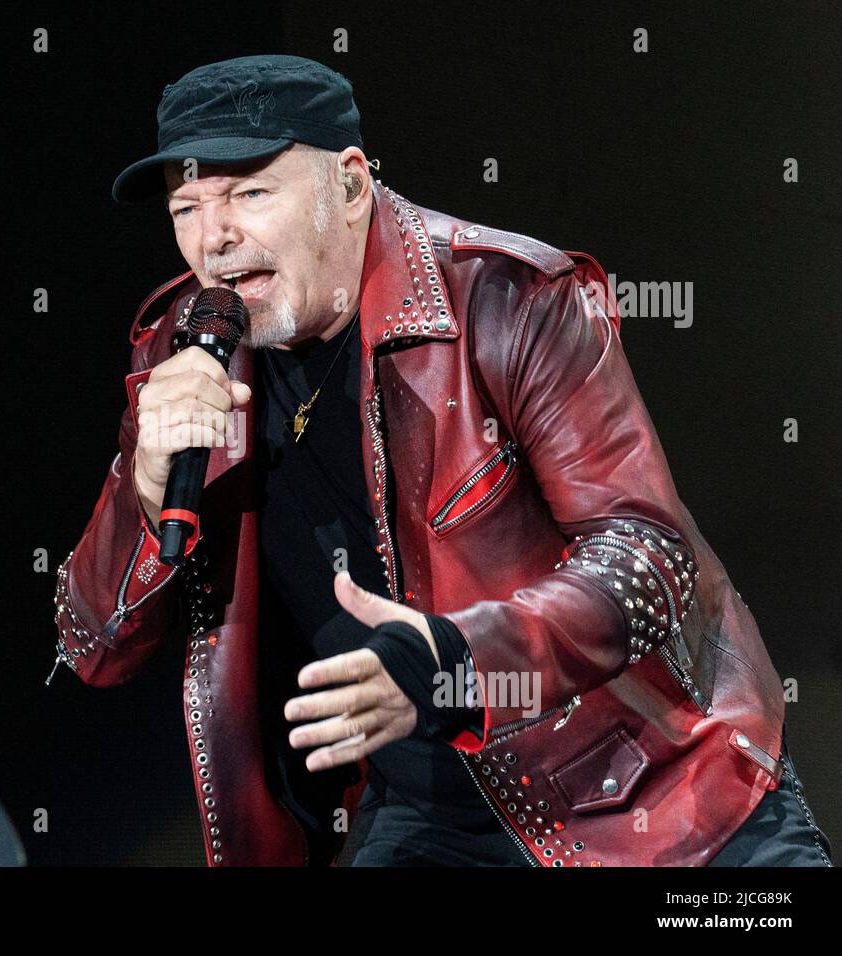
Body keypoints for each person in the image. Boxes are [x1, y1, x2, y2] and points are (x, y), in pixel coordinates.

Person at [49, 54, 832, 867]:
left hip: (650, 796)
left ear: (351, 186)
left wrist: (456, 662)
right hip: (429, 818)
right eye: (187, 206)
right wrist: (144, 487)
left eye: (249, 194)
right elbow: (91, 645)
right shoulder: (185, 347)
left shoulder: (508, 300)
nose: (214, 239)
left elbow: (647, 558)